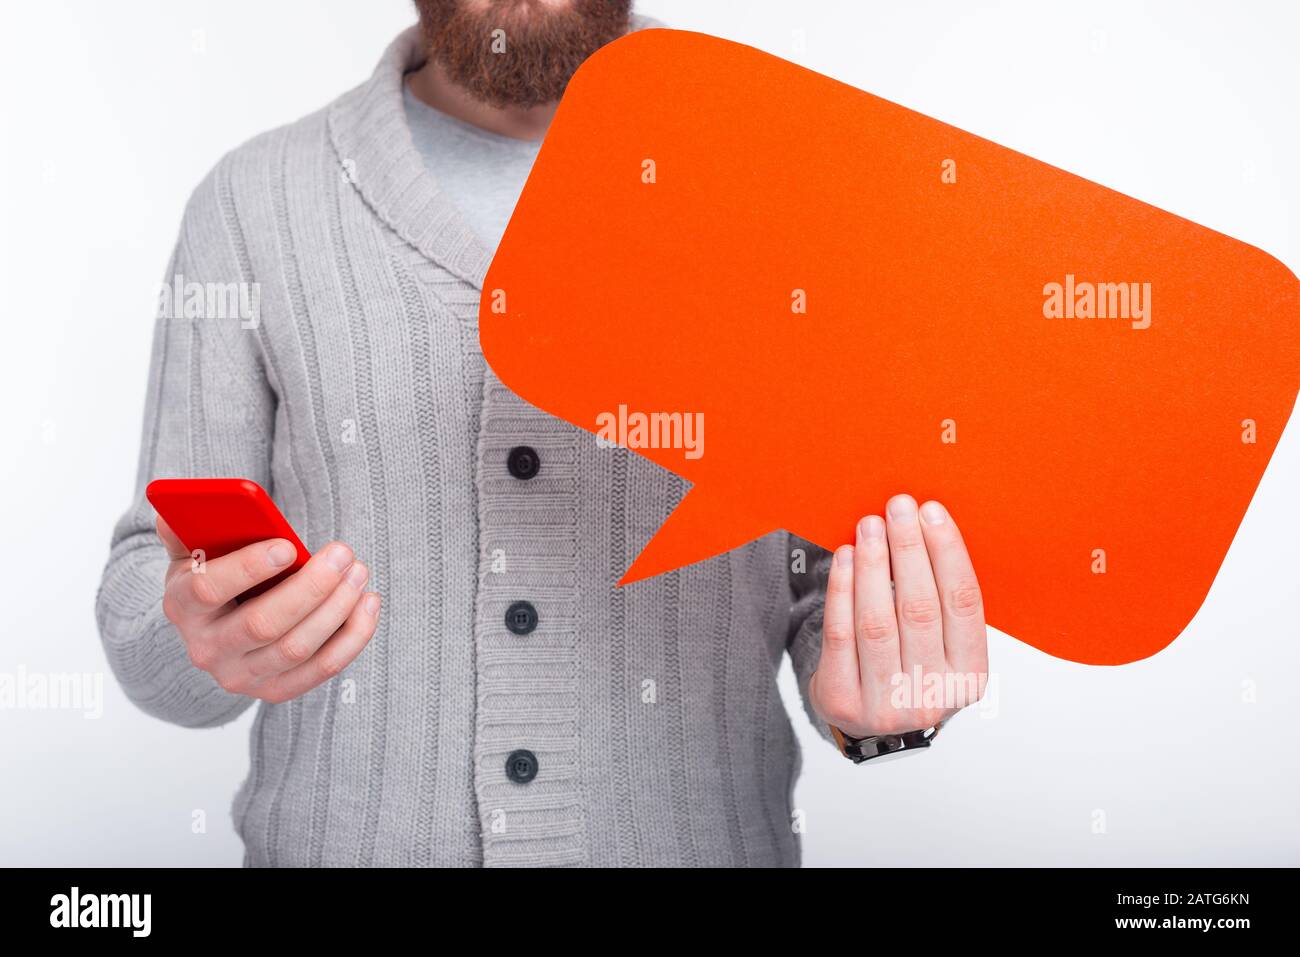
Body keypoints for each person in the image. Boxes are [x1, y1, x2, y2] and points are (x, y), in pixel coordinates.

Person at [96, 0, 987, 867]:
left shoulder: (796, 186)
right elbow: (150, 588)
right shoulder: (250, 207)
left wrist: (877, 710)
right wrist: (197, 637)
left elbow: (827, 579)